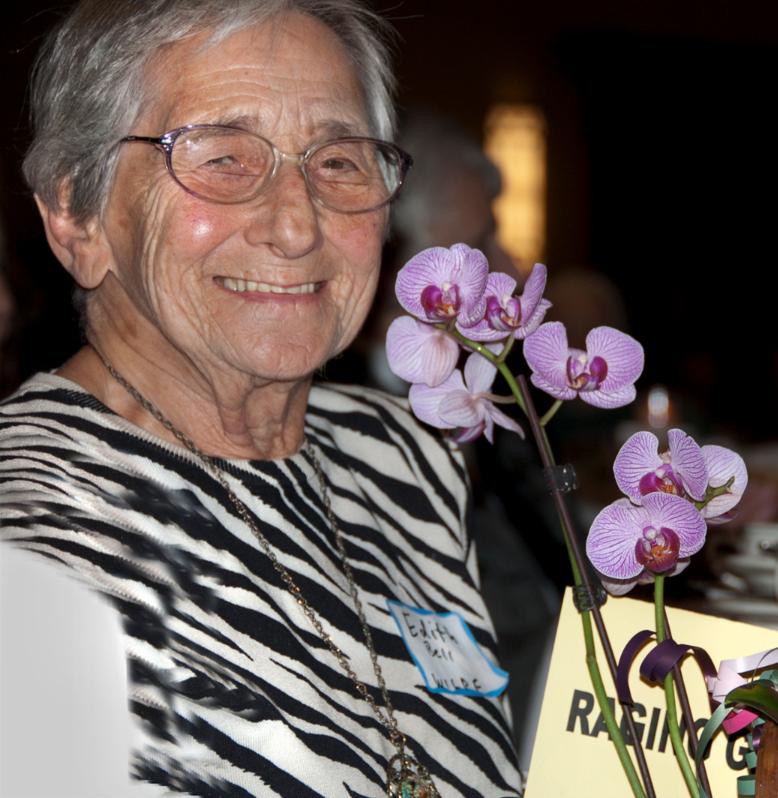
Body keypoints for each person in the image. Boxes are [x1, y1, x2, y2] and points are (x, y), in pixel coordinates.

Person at [0, 2, 523, 796]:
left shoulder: (402, 456)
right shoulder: (28, 529)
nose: (295, 225)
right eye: (220, 157)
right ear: (77, 216)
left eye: (340, 160)